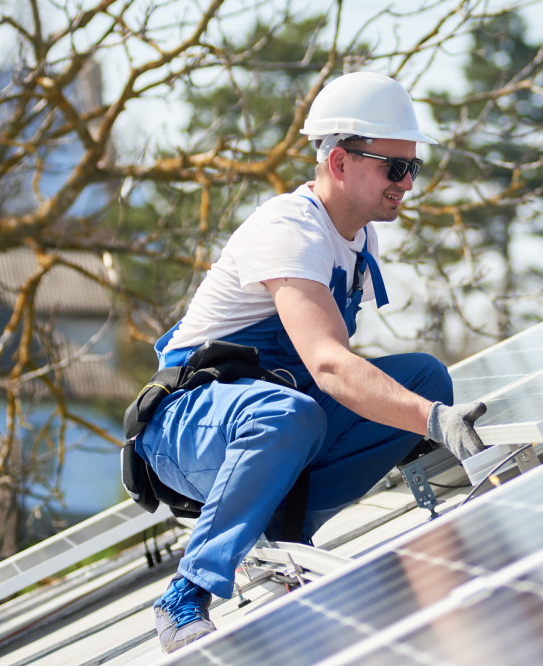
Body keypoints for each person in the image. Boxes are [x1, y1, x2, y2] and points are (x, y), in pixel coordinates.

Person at [133, 70, 487, 653]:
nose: (406, 182)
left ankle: (284, 530)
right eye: (393, 168)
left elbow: (331, 381)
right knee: (295, 412)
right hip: (186, 427)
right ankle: (187, 591)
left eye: (412, 167)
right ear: (341, 162)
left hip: (269, 415)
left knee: (425, 377)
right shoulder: (291, 229)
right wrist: (431, 422)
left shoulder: (358, 241)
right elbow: (327, 364)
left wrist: (427, 412)